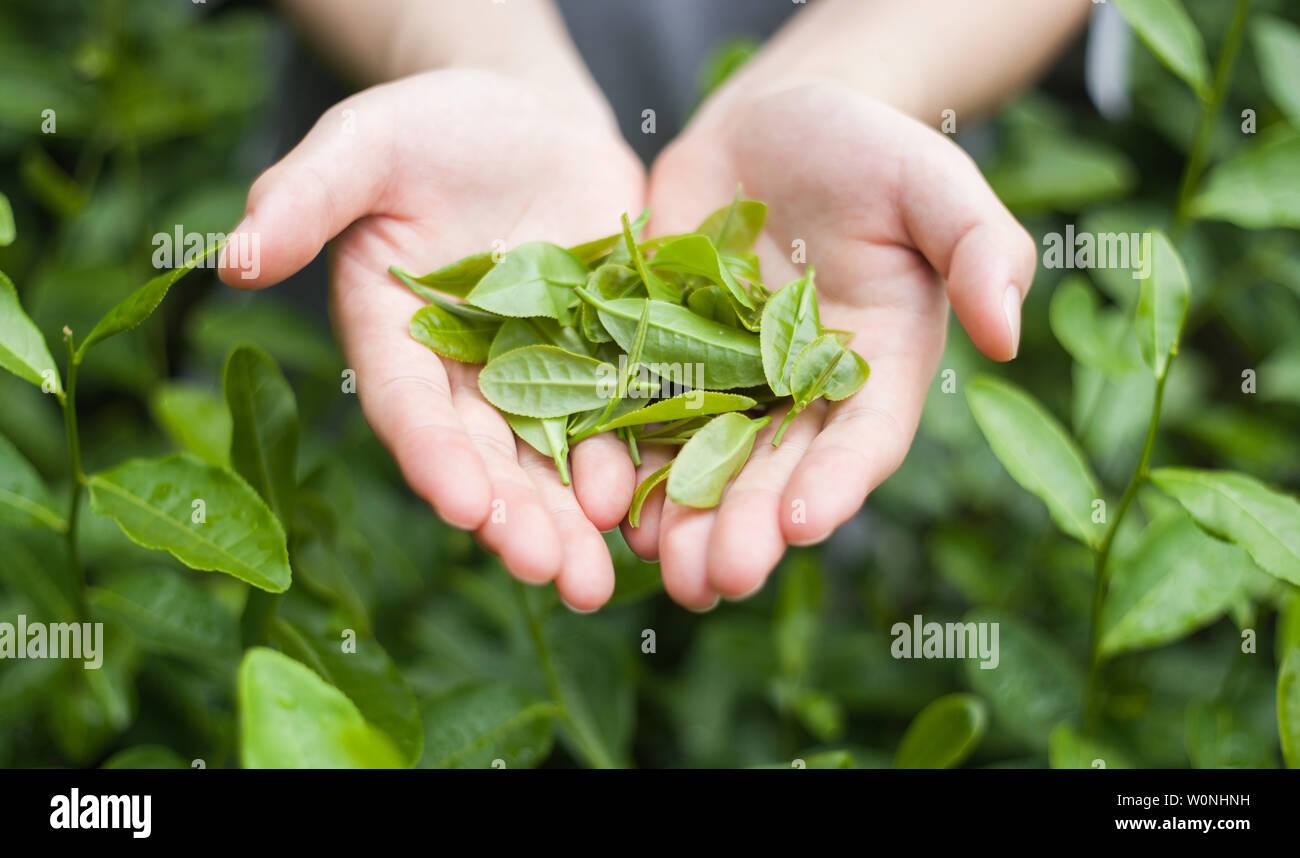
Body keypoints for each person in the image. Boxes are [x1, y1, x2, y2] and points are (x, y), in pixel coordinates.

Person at [218, 0, 1094, 612]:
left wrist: (855, 82)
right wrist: (473, 55)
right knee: (362, 545)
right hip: (404, 259)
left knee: (798, 546)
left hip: (838, 301)